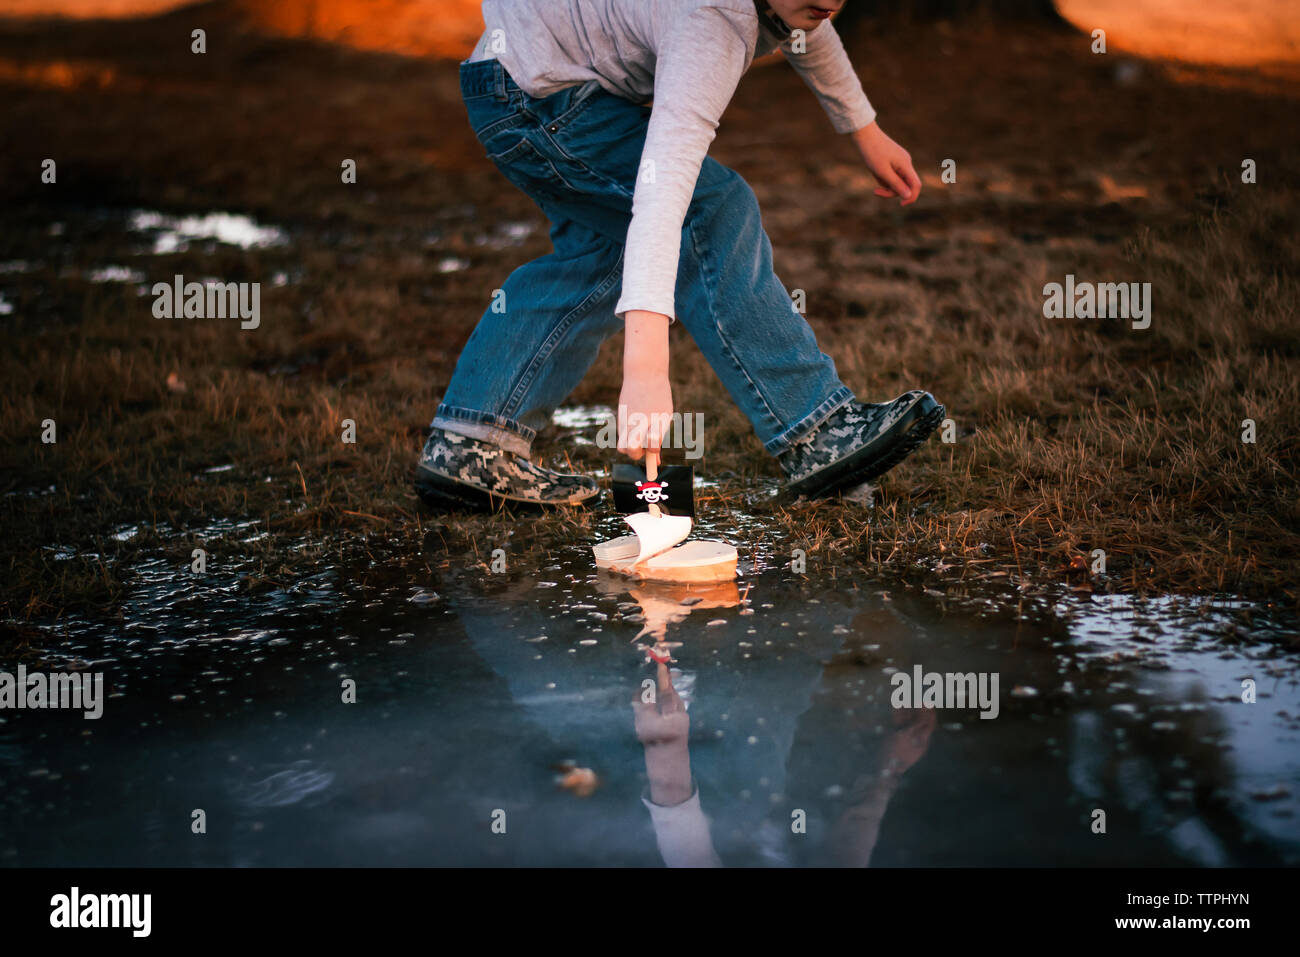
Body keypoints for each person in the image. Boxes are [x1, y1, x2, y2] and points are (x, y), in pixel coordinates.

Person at [417, 0, 945, 510]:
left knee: (600, 251)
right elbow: (664, 185)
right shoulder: (711, 21)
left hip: (511, 84)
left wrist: (865, 131)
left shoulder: (792, 1)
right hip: (541, 100)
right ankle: (817, 431)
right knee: (711, 209)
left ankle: (472, 441)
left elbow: (809, 27)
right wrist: (646, 367)